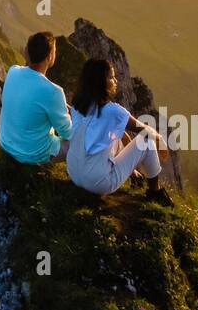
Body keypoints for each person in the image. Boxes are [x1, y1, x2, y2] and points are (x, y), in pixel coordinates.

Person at [66, 57, 173, 205]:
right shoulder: (113, 111)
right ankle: (155, 192)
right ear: (101, 83)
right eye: (111, 77)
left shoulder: (79, 106)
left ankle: (133, 175)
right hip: (98, 183)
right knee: (147, 141)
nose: (115, 81)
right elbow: (145, 131)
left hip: (74, 173)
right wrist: (160, 140)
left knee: (116, 136)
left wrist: (132, 170)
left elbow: (120, 134)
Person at [0, 32, 72, 164]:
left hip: (7, 144)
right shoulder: (54, 91)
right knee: (77, 144)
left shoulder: (13, 71)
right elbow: (68, 134)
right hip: (32, 154)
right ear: (50, 56)